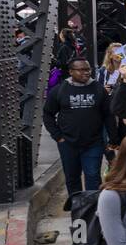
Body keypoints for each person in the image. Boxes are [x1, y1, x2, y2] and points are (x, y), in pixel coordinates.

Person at [43, 58, 113, 210]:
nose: (86, 72)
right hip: (67, 143)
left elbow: (108, 115)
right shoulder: (60, 90)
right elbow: (48, 114)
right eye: (81, 70)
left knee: (93, 176)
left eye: (87, 69)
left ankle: (93, 209)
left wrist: (113, 139)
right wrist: (58, 136)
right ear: (71, 72)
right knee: (72, 177)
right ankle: (78, 208)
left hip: (93, 143)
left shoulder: (98, 89)